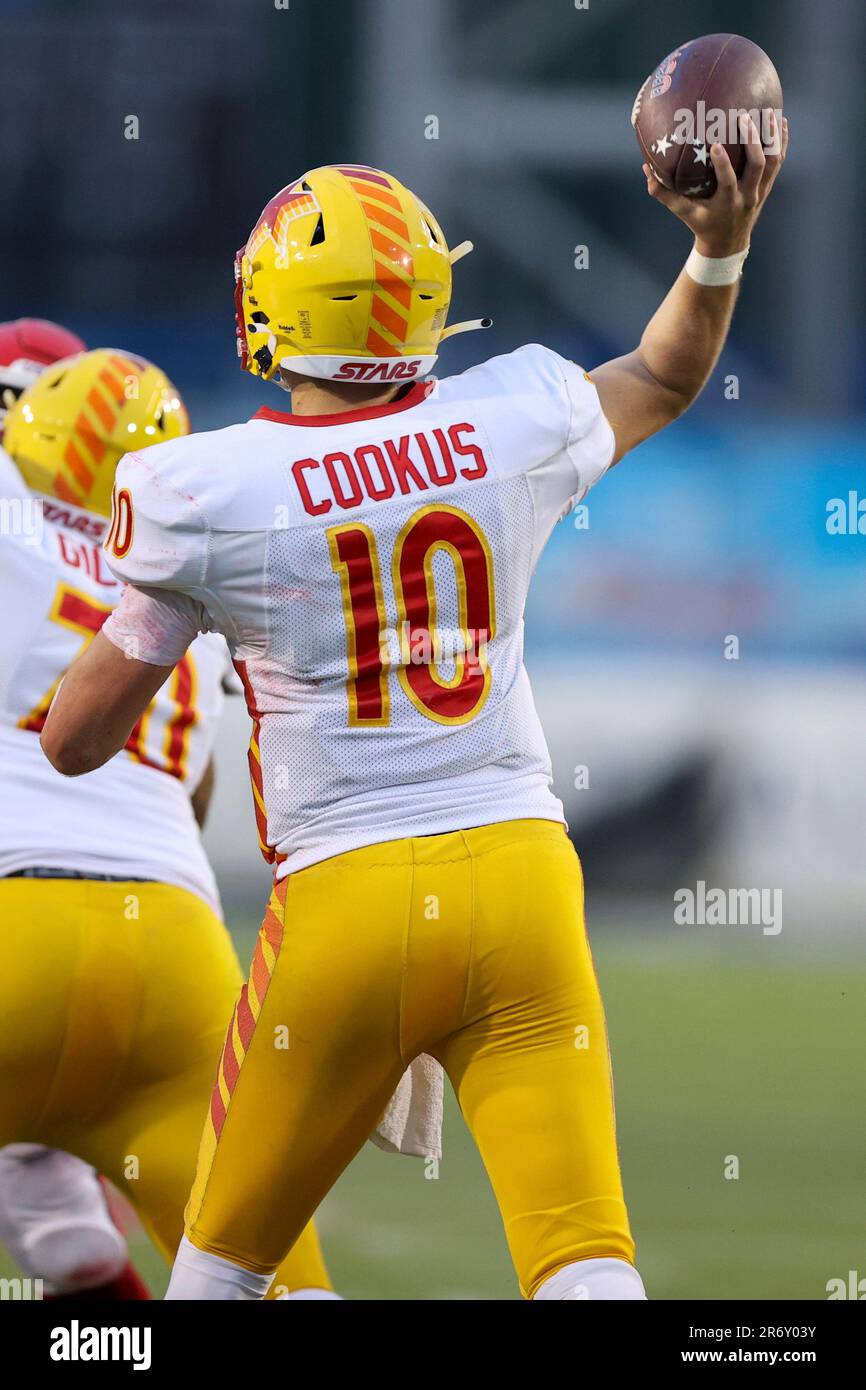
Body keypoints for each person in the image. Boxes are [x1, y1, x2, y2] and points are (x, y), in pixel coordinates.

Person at [42, 123, 787, 1301]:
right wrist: (717, 246)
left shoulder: (206, 488)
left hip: (346, 902)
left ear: (278, 307)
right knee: (584, 1260)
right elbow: (664, 372)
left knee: (222, 1278)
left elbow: (76, 742)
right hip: (523, 878)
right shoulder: (512, 415)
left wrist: (153, 617)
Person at [0, 348, 335, 1299]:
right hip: (177, 952)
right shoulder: (181, 566)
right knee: (280, 1285)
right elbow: (194, 795)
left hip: (15, 926)